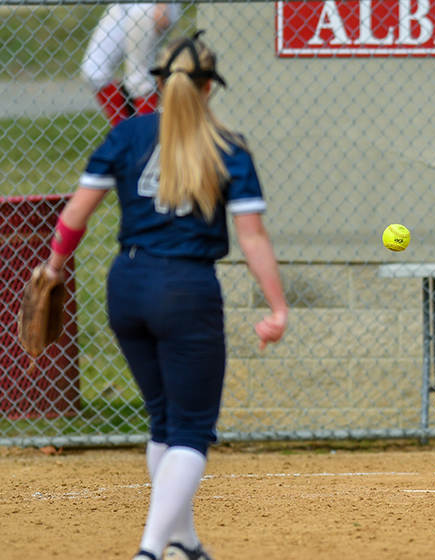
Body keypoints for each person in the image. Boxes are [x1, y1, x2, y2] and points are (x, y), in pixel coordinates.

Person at [44, 33, 288, 559]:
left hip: (126, 285)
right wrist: (277, 307)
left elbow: (74, 217)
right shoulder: (227, 145)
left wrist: (53, 269)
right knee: (192, 428)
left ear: (157, 83)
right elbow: (252, 237)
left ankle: (183, 543)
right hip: (186, 289)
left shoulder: (127, 134)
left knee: (164, 419)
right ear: (207, 88)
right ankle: (150, 551)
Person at [81, 3, 180, 127]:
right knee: (93, 70)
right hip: (124, 4)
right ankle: (125, 134)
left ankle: (146, 140)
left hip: (150, 6)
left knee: (140, 80)